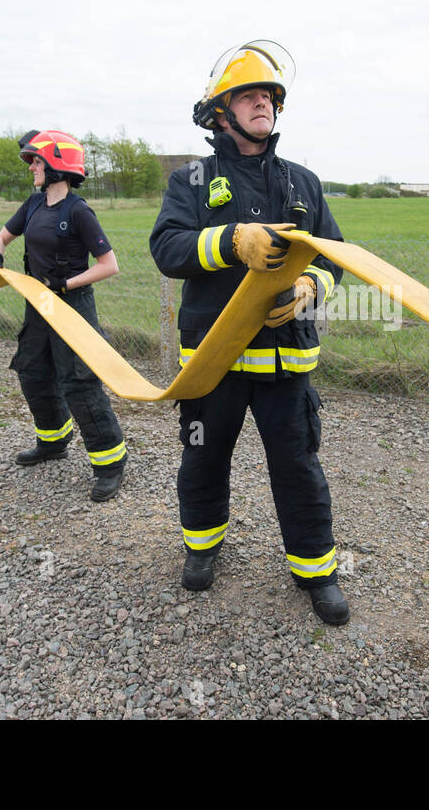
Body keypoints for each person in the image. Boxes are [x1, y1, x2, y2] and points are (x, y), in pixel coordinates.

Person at [150, 40, 350, 625]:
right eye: (249, 94)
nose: (263, 102)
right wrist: (231, 240)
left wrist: (313, 285)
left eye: (269, 95)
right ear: (220, 111)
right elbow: (167, 248)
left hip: (286, 362)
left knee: (298, 466)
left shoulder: (303, 182)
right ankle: (201, 548)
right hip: (211, 360)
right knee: (202, 460)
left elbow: (335, 255)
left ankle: (316, 571)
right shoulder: (191, 179)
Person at [0, 130, 127, 502]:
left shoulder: (78, 211)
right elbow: (0, 238)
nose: (31, 167)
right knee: (32, 371)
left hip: (72, 305)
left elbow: (109, 265)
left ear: (57, 166)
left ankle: (110, 462)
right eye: (31, 160)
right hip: (37, 304)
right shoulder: (32, 205)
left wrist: (68, 283)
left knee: (78, 382)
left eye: (36, 160)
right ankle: (53, 441)